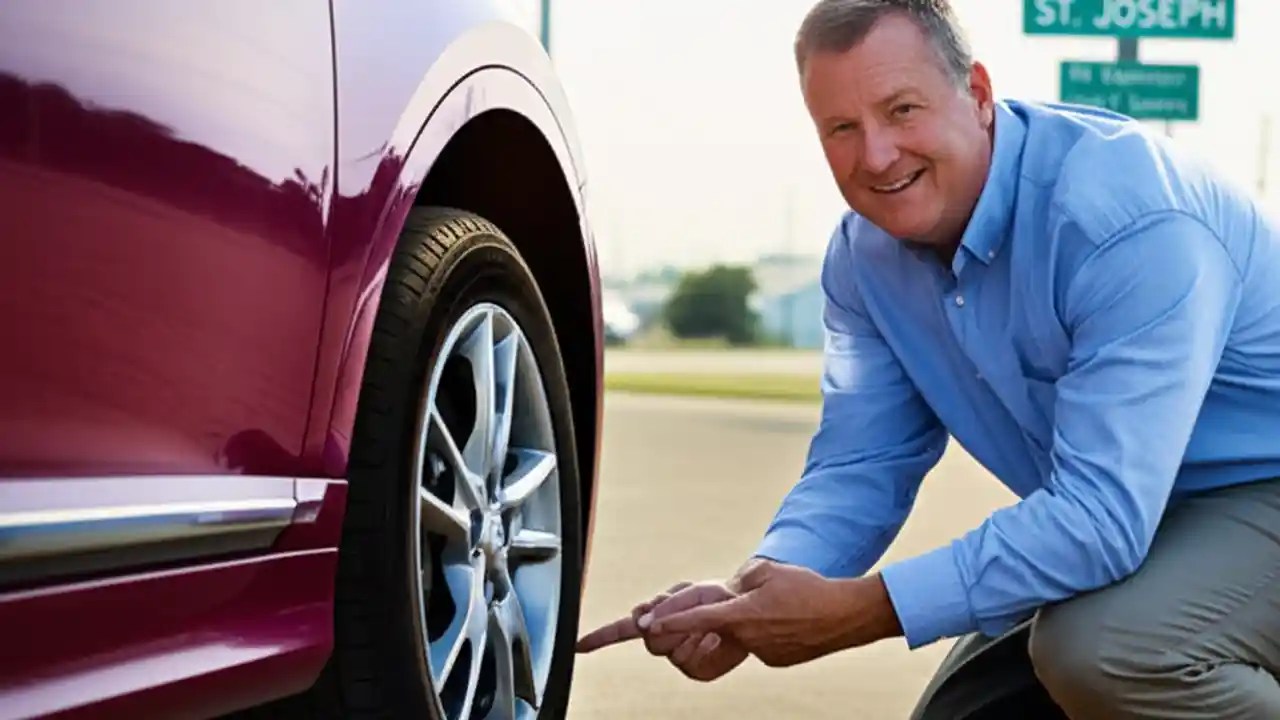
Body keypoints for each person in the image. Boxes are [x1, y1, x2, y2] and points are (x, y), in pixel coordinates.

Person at [576, 0, 1280, 717]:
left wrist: (861, 611)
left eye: (902, 110)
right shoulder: (862, 259)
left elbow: (1100, 520)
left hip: (1259, 489)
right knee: (966, 712)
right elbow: (860, 462)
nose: (876, 155)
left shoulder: (1123, 219)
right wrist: (758, 591)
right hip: (1151, 520)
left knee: (1105, 652)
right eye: (842, 129)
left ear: (976, 93)